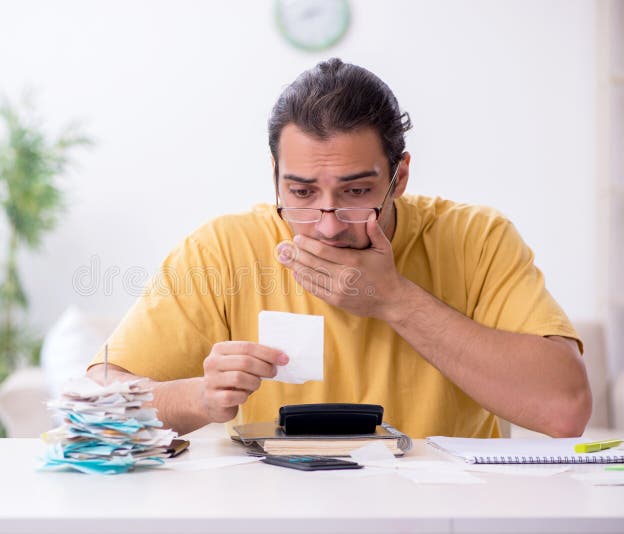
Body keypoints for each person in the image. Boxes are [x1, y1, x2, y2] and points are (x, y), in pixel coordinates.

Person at [88, 58, 591, 439]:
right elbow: (94, 401)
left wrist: (394, 299)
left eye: (356, 193)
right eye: (302, 193)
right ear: (276, 179)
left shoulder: (477, 239)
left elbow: (564, 409)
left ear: (400, 177)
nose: (327, 226)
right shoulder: (223, 247)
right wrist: (196, 397)